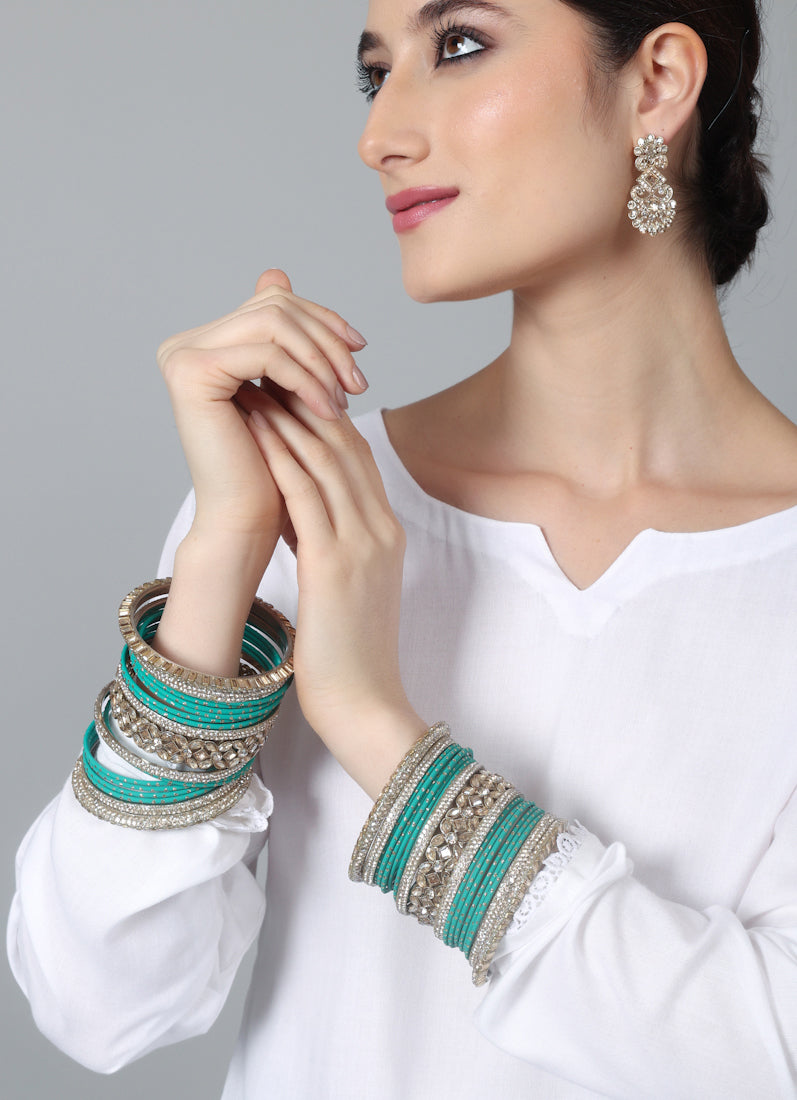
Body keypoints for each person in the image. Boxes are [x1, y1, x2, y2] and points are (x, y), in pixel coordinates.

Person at [8, 0, 797, 1096]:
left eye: (459, 45)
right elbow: (98, 1004)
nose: (378, 134)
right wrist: (223, 555)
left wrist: (377, 731)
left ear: (656, 79)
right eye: (376, 74)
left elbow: (760, 1049)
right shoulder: (308, 500)